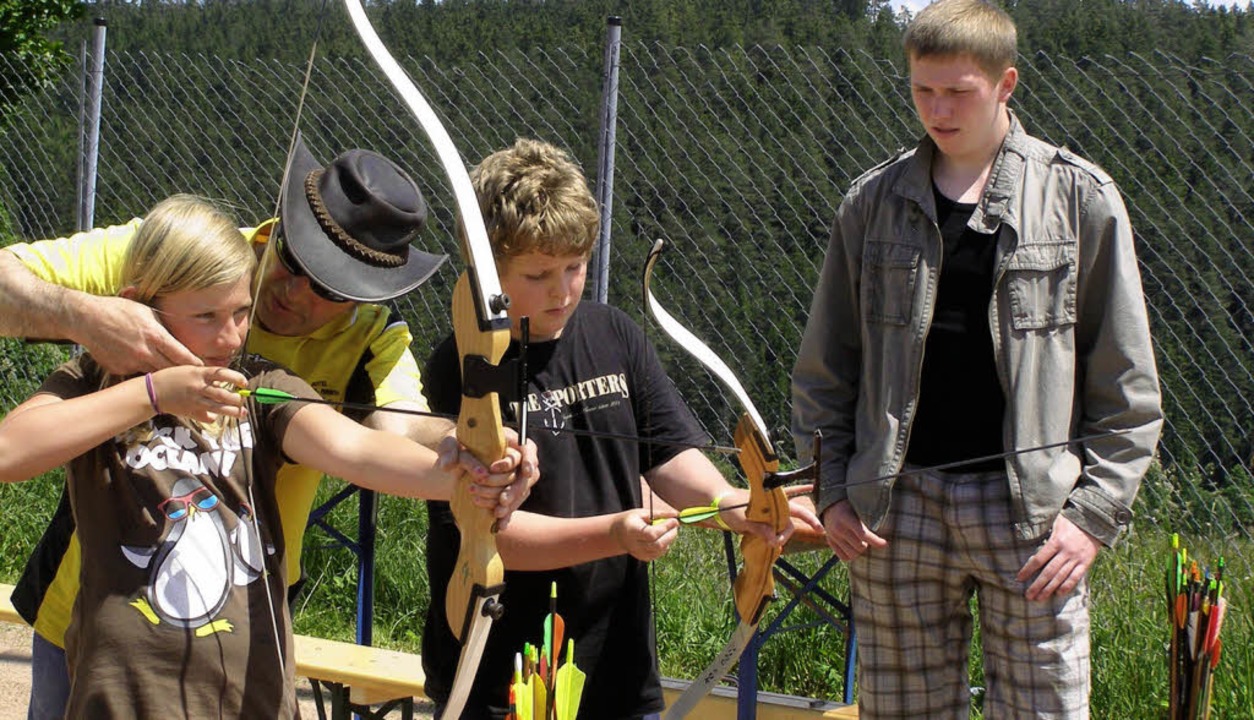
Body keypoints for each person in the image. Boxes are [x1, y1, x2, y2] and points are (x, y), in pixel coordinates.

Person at [0, 137, 537, 719]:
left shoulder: (307, 365)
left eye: (328, 288)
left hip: (244, 628)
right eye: (292, 259)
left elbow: (381, 440)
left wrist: (474, 456)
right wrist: (92, 322)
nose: (289, 294)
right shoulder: (180, 249)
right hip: (96, 623)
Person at [790, 2, 1163, 718]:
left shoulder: (1080, 198)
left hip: (1031, 514)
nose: (937, 109)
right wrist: (832, 489)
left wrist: (1091, 518)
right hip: (894, 509)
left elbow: (1129, 390)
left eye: (957, 91)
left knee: (1043, 710)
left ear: (1006, 83)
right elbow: (824, 373)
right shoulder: (872, 203)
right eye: (922, 90)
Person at [420, 138, 822, 720]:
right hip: (498, 668)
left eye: (575, 268)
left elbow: (668, 452)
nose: (562, 291)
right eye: (537, 274)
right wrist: (616, 533)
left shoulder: (613, 333)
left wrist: (734, 504)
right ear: (486, 271)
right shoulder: (463, 367)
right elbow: (485, 537)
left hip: (615, 664)